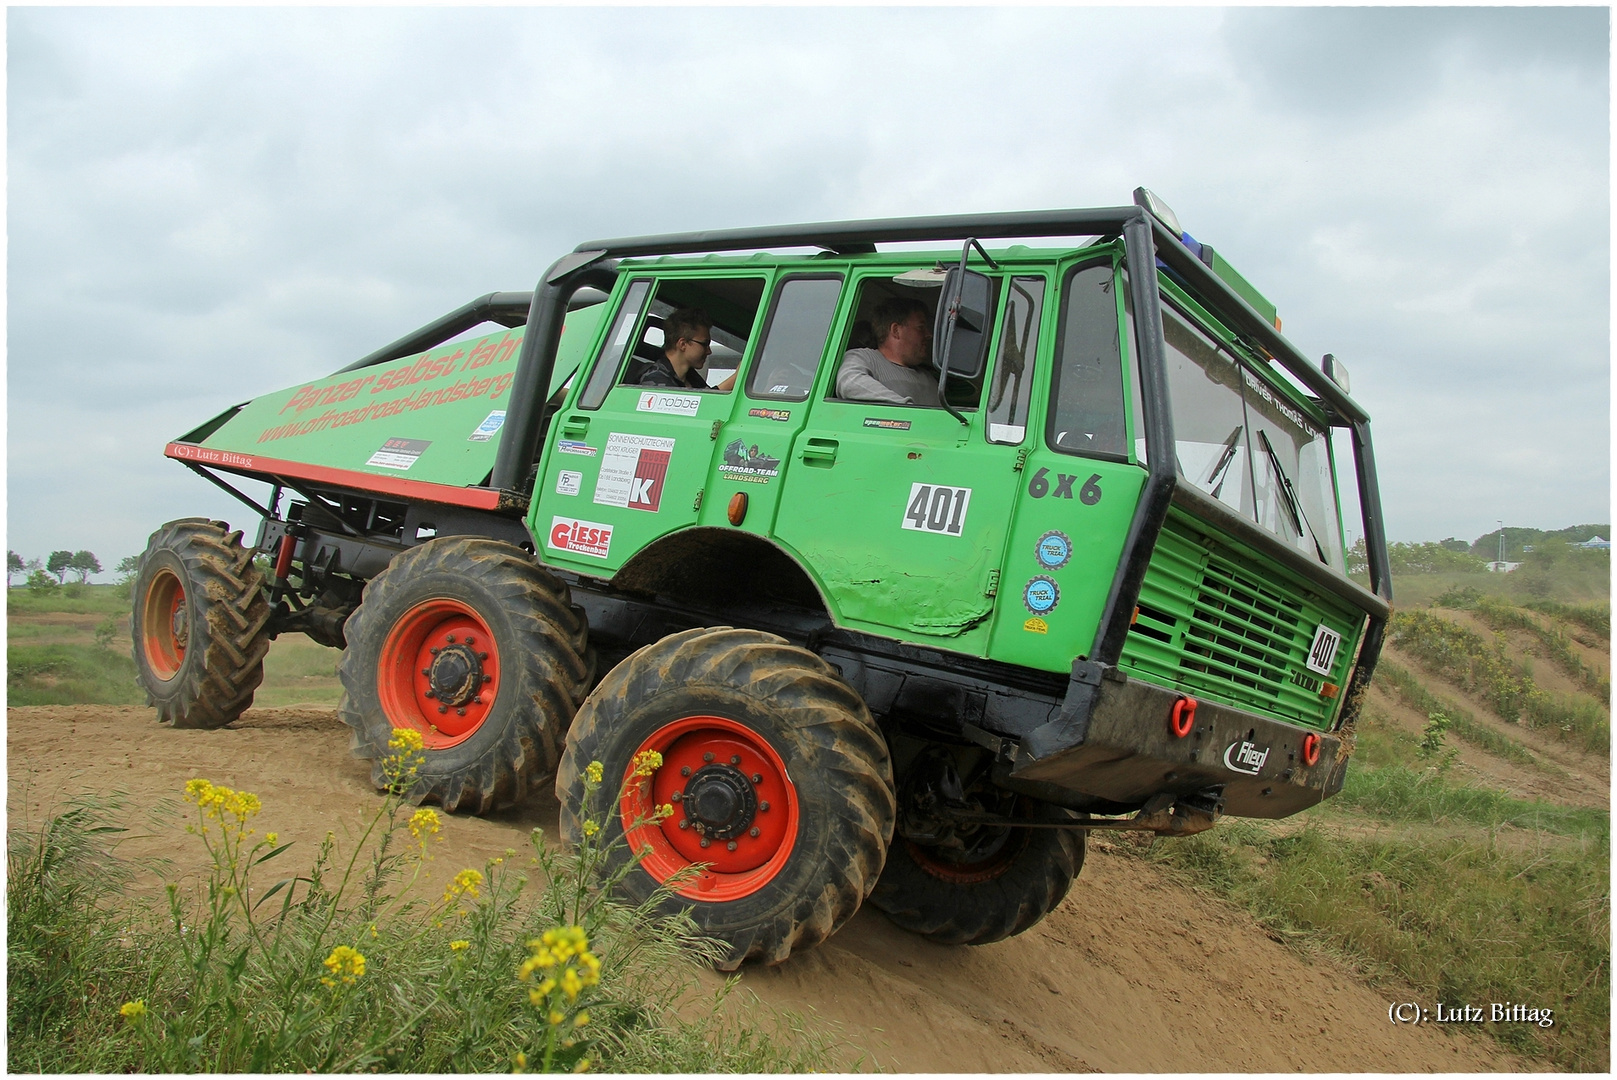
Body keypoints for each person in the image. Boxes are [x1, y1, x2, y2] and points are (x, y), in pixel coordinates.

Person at [835, 297, 939, 406]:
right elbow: (850, 383)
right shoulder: (864, 358)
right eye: (920, 327)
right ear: (896, 330)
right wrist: (907, 409)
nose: (928, 335)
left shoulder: (929, 379)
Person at [637, 308, 735, 391]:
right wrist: (735, 379)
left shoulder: (691, 377)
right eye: (704, 344)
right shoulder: (654, 380)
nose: (709, 351)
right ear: (683, 344)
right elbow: (701, 408)